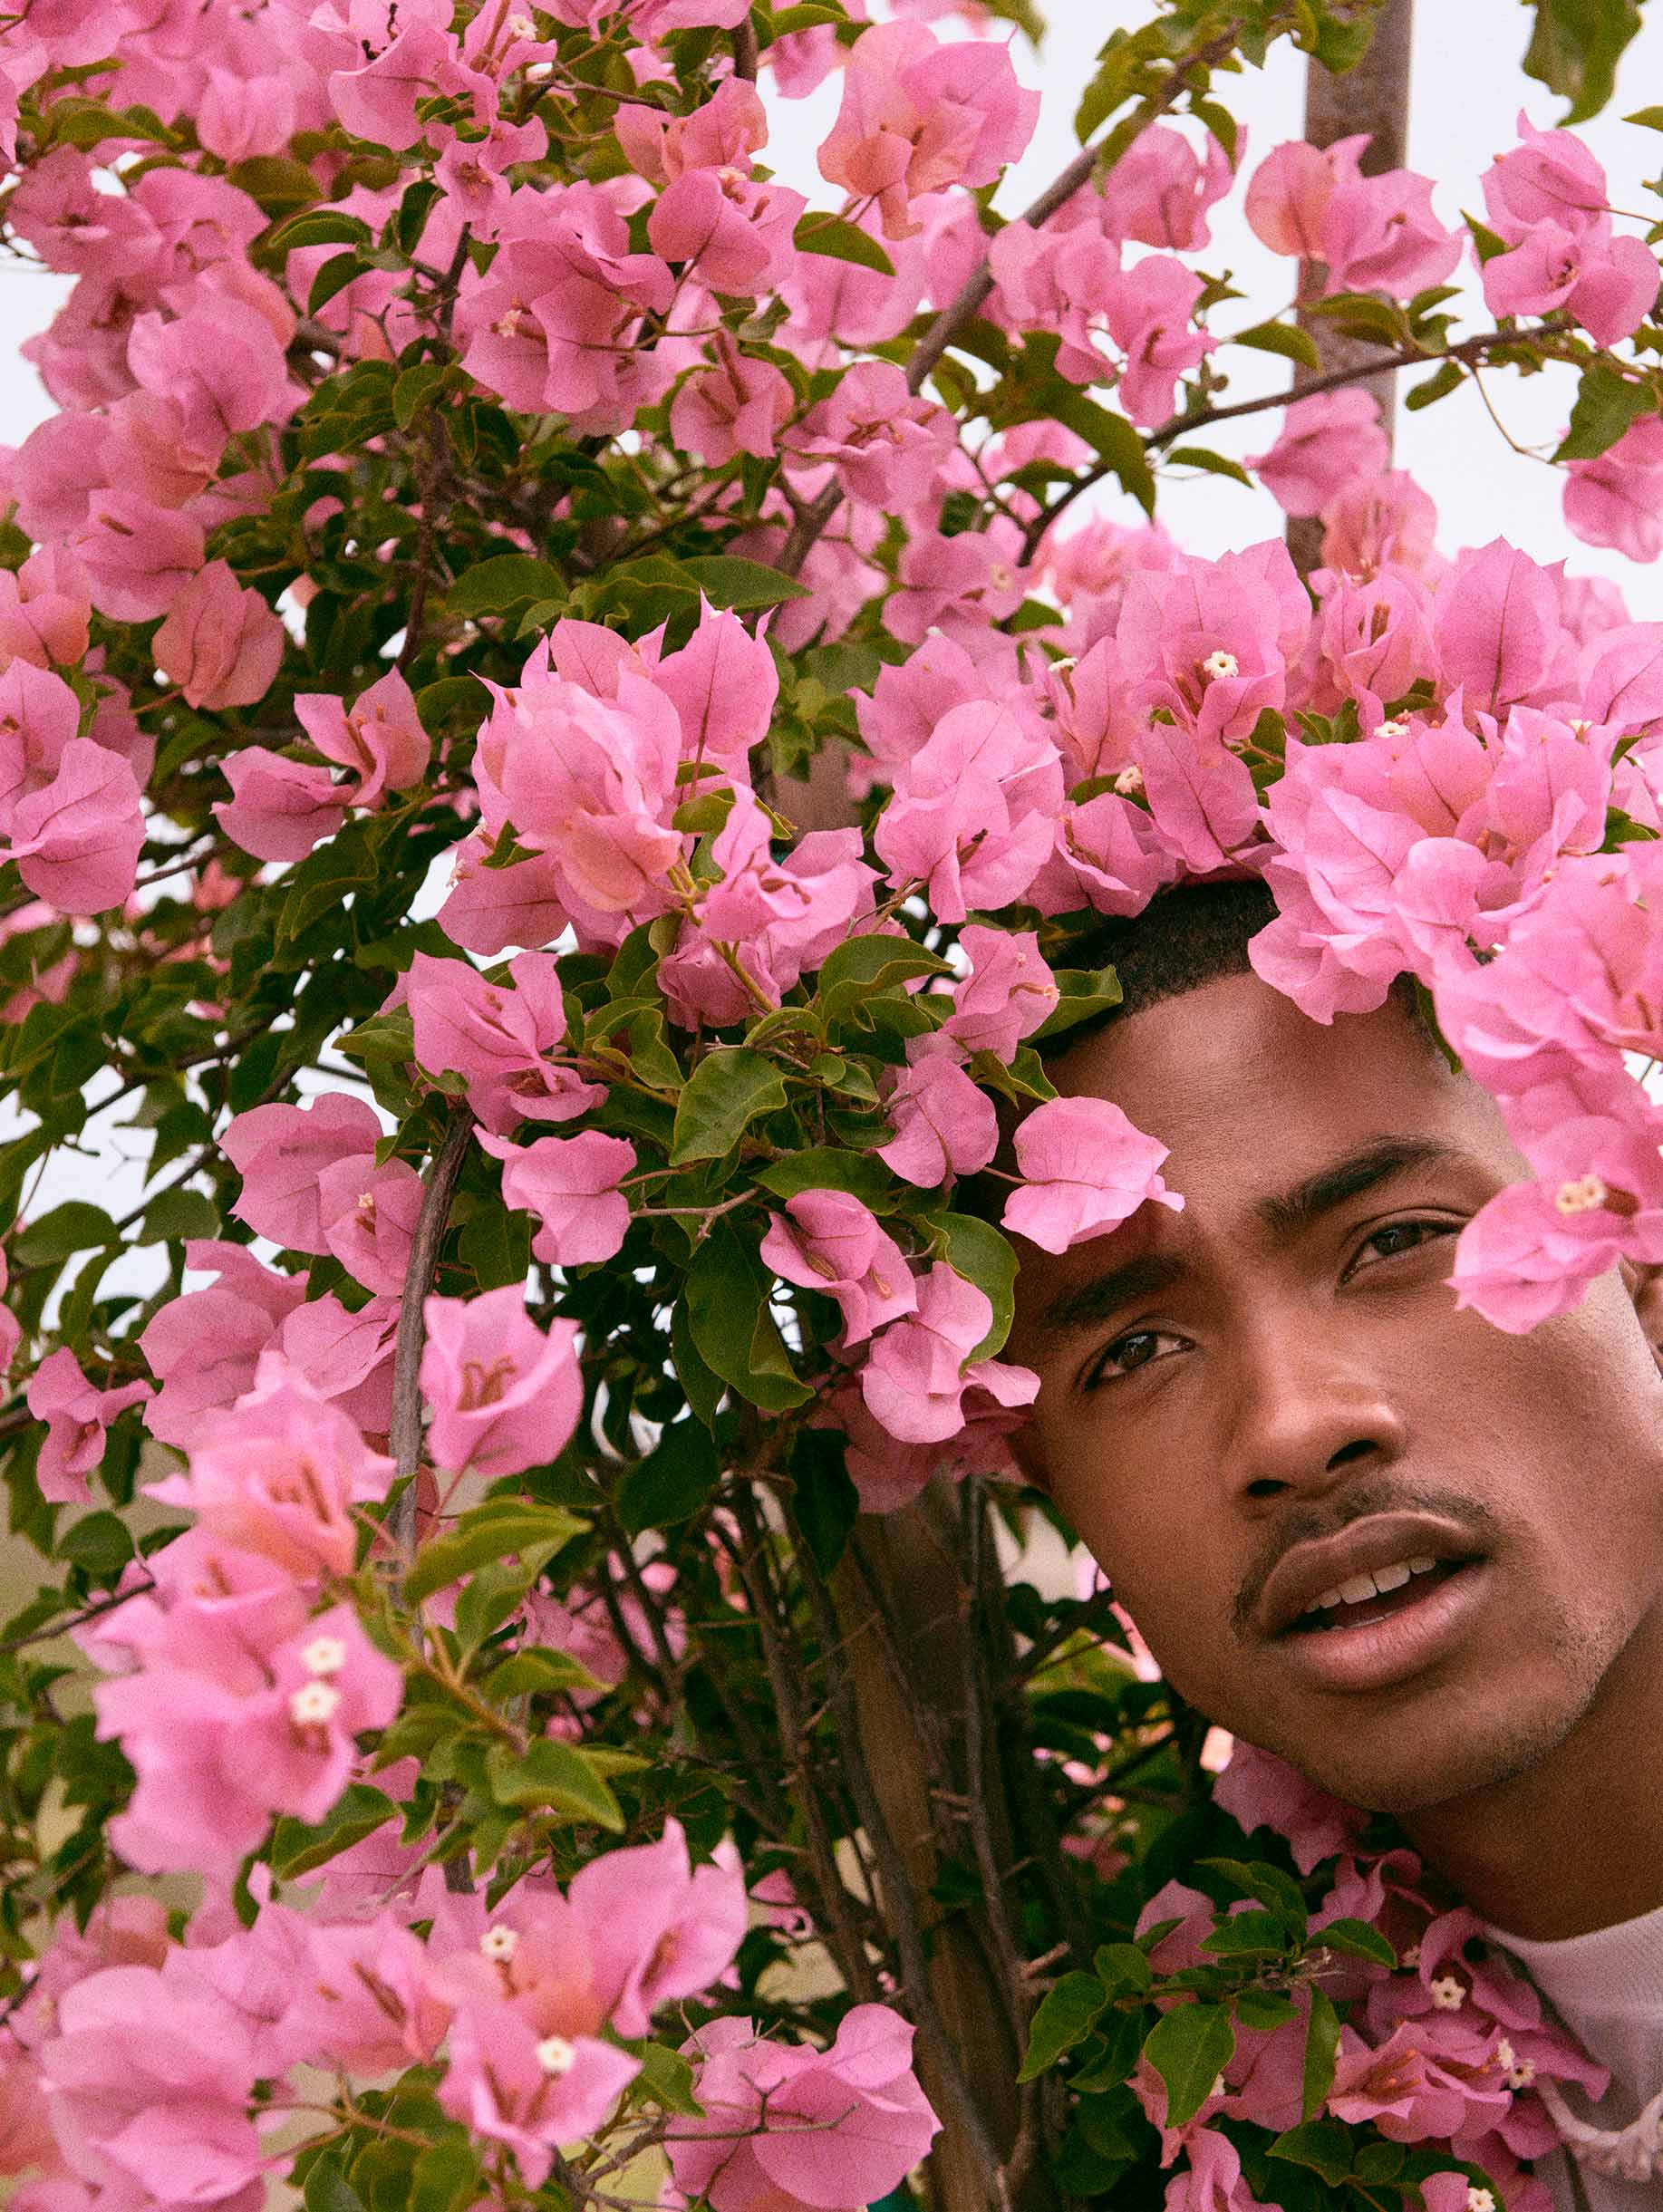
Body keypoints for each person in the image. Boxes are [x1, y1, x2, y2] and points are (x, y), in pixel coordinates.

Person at [1003, 877, 1663, 2211]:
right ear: (1050, 1480)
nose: (1295, 1428)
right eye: (1135, 1349)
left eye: (1397, 1241)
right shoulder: (1176, 2116)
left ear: (1642, 1263)